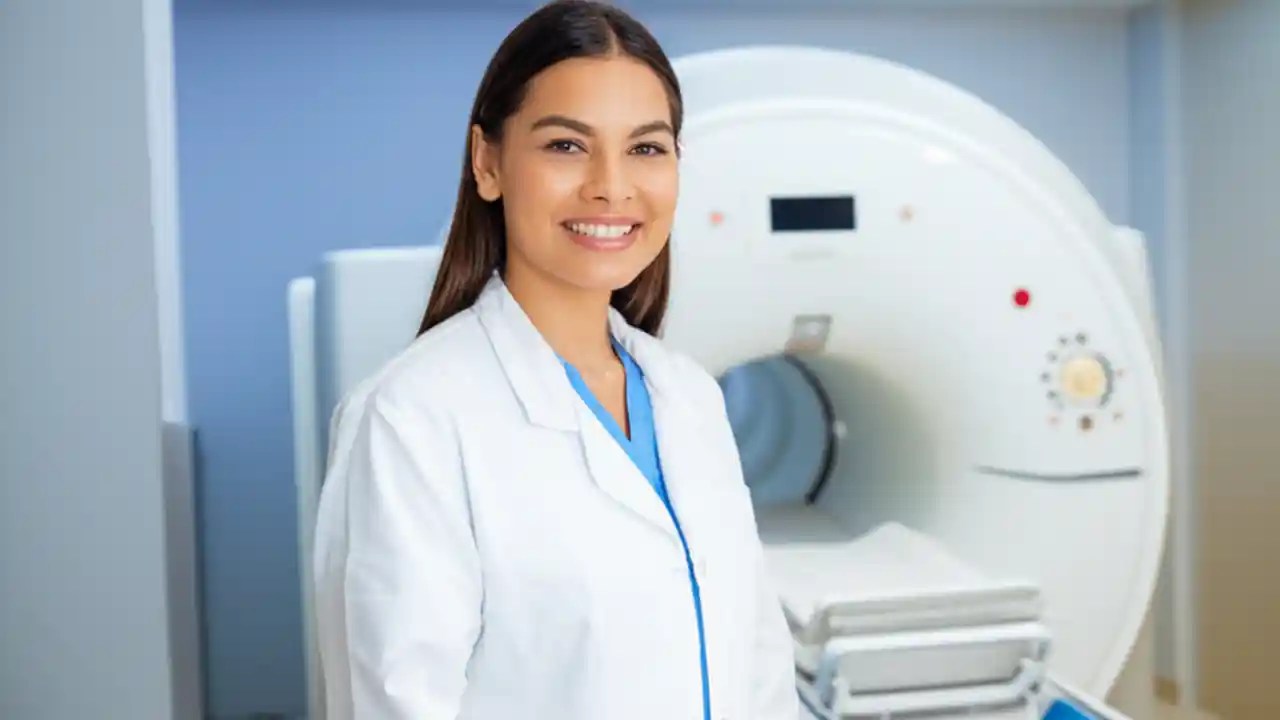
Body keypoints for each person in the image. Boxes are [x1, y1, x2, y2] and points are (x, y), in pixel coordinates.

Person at [311, 1, 798, 718]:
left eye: (646, 147)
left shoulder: (689, 397)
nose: (611, 185)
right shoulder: (413, 417)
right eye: (567, 146)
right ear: (488, 163)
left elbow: (758, 670)